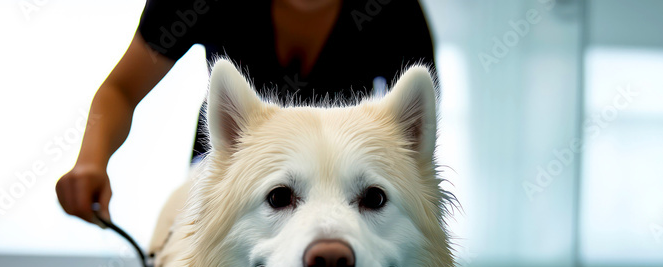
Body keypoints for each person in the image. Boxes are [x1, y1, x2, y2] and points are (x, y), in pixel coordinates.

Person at [56, 0, 437, 225]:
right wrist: (91, 160)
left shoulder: (397, 13)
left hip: (349, 190)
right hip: (222, 181)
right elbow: (122, 90)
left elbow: (412, 145)